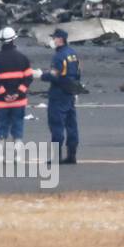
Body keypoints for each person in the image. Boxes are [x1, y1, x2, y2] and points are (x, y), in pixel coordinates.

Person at [41, 28, 82, 164]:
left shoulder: (59, 56)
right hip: (70, 92)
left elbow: (55, 76)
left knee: (56, 125)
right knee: (71, 125)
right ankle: (72, 155)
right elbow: (78, 73)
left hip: (58, 93)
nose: (53, 40)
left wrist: (41, 75)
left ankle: (56, 156)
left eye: (54, 38)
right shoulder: (73, 54)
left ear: (60, 39)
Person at [0, 26, 32, 142]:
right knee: (18, 130)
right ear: (13, 40)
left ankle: (0, 156)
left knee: (1, 128)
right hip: (19, 101)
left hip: (1, 102)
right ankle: (18, 156)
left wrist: (5, 94)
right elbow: (28, 78)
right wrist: (18, 93)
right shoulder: (23, 58)